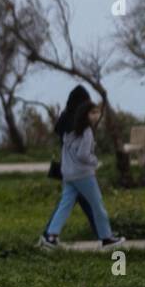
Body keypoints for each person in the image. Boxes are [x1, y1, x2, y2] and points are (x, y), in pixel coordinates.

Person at [41, 97, 125, 248]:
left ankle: (50, 237)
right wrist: (95, 161)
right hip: (84, 175)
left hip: (68, 175)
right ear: (85, 114)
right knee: (97, 205)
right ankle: (107, 238)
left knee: (65, 205)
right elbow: (83, 155)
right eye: (93, 112)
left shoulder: (69, 132)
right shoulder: (86, 131)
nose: (96, 115)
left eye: (98, 112)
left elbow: (67, 152)